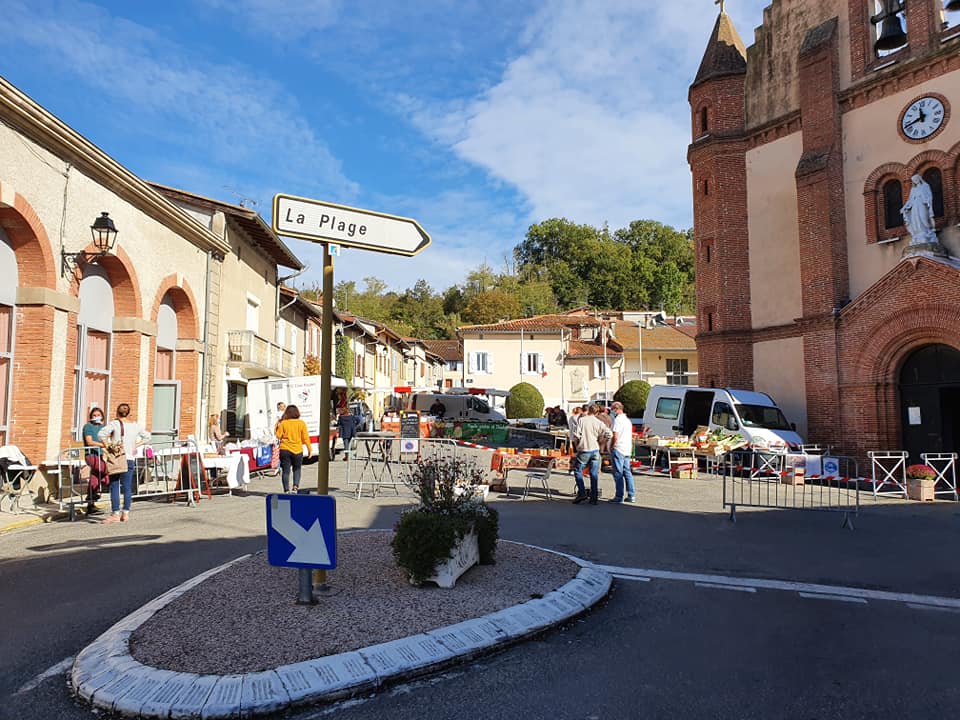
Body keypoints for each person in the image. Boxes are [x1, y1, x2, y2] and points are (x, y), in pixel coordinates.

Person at [98, 402, 150, 523]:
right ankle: (126, 512)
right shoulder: (135, 426)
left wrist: (108, 446)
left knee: (114, 485)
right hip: (130, 457)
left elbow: (101, 434)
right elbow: (147, 437)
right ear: (129, 413)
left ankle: (115, 513)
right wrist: (135, 445)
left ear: (117, 412)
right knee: (127, 487)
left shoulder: (115, 424)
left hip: (117, 458)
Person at [571, 405, 612, 505]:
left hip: (584, 448)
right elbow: (609, 434)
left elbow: (576, 435)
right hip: (595, 449)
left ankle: (582, 492)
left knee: (578, 471)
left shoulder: (582, 420)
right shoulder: (598, 422)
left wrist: (577, 445)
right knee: (593, 474)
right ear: (597, 412)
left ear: (589, 411)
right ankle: (593, 497)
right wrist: (602, 440)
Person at [275, 404, 312, 493]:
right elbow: (305, 437)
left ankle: (286, 490)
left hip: (285, 449)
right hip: (297, 450)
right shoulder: (301, 423)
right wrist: (309, 449)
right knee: (297, 469)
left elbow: (278, 436)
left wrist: (277, 425)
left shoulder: (283, 423)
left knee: (286, 471)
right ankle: (295, 487)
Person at [81, 407, 108, 515]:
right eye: (94, 415)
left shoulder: (102, 427)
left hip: (100, 455)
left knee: (95, 478)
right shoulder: (88, 427)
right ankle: (96, 493)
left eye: (98, 415)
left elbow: (107, 438)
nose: (96, 417)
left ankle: (90, 503)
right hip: (91, 455)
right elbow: (89, 441)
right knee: (106, 471)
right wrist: (102, 445)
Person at [609, 401, 636, 504]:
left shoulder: (618, 420)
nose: (612, 411)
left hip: (619, 448)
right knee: (627, 472)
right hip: (626, 448)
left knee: (618, 473)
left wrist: (611, 446)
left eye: (612, 409)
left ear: (616, 409)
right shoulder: (627, 420)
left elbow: (615, 436)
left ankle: (619, 496)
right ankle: (631, 494)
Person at [901, 174, 937, 244]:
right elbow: (910, 200)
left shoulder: (925, 186)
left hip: (922, 204)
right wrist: (904, 207)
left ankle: (927, 231)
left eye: (916, 179)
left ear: (919, 179)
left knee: (923, 217)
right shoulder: (913, 189)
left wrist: (927, 200)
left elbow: (929, 195)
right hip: (915, 205)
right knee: (915, 219)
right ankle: (919, 233)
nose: (915, 181)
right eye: (914, 180)